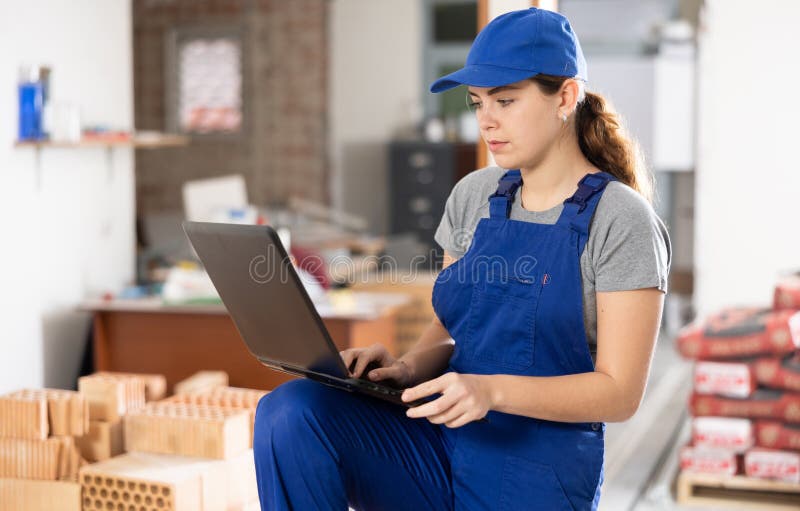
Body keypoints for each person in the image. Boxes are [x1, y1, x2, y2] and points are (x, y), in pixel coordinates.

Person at [253, 7, 671, 511]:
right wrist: (407, 368)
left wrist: (490, 392)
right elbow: (454, 329)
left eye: (505, 101)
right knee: (292, 411)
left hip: (538, 474)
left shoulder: (620, 219)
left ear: (565, 96)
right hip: (440, 443)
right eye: (477, 103)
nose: (485, 121)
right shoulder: (474, 196)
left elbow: (619, 393)